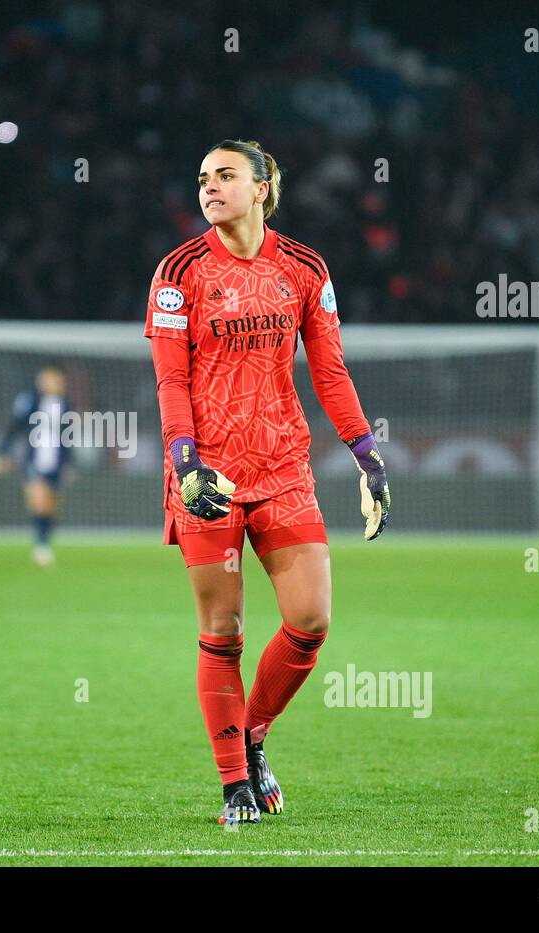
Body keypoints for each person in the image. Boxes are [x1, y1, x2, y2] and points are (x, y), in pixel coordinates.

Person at [146, 140, 391, 825]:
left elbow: (331, 370)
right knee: (221, 631)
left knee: (310, 620)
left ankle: (253, 738)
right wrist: (184, 460)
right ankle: (233, 786)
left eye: (225, 175)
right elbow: (170, 378)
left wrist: (366, 454)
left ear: (262, 188)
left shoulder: (305, 268)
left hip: (284, 467)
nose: (209, 187)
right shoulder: (179, 271)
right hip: (209, 475)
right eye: (202, 178)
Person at [1, 367, 71, 567]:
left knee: (52, 507)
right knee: (40, 502)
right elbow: (14, 427)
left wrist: (69, 464)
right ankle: (41, 547)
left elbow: (68, 438)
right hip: (34, 462)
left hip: (56, 464)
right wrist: (5, 453)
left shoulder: (66, 405)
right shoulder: (30, 402)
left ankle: (45, 542)